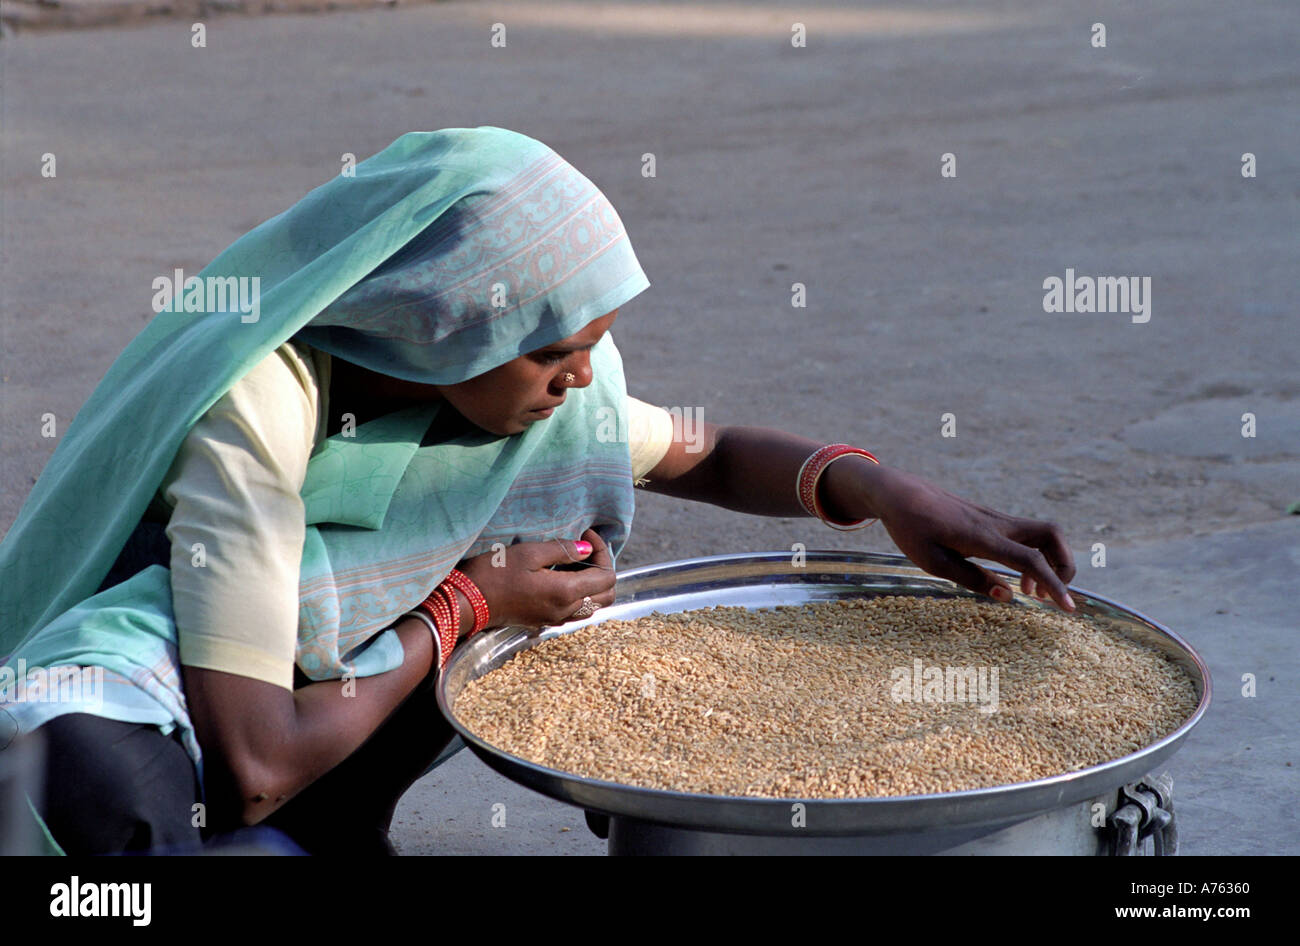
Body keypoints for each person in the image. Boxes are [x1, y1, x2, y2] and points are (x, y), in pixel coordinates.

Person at [0, 127, 1075, 856]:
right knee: (117, 804)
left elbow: (700, 449)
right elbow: (254, 759)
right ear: (440, 320)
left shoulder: (540, 395)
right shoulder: (262, 409)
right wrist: (466, 602)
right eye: (553, 351)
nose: (577, 383)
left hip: (279, 707)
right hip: (127, 742)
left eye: (595, 345)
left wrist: (883, 490)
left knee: (488, 596)